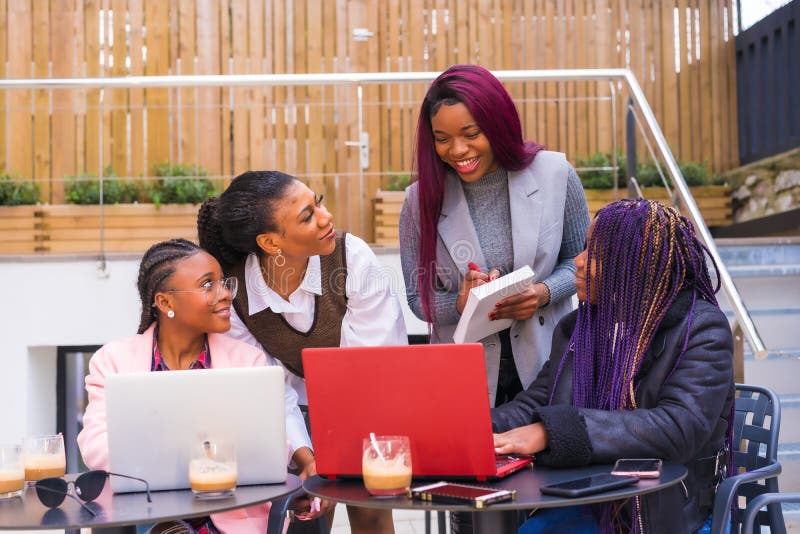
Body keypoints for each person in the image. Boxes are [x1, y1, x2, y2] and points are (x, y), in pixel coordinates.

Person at [492, 199, 735, 533]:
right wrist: (474, 430)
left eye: (595, 253)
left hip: (666, 509)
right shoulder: (581, 327)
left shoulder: (701, 330)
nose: (577, 262)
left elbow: (678, 428)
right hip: (593, 498)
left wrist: (552, 432)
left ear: (636, 264)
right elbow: (539, 401)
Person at [197, 170, 407, 534]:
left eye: (318, 203)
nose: (326, 218)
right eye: (307, 216)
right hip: (287, 415)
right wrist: (306, 456)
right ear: (270, 243)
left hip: (365, 403)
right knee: (305, 517)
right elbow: (265, 386)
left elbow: (371, 368)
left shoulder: (351, 257)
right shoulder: (234, 291)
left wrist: (337, 456)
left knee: (371, 512)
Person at [77, 238, 315, 533]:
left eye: (223, 283)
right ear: (166, 302)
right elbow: (96, 448)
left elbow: (273, 449)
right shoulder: (113, 361)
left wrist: (160, 448)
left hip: (231, 520)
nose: (226, 294)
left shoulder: (247, 360)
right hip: (146, 517)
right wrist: (207, 457)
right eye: (207, 285)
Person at [399, 64, 590, 410]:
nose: (457, 150)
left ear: (497, 125)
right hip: (463, 378)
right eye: (442, 139)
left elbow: (580, 266)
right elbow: (417, 296)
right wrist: (460, 303)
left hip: (547, 363)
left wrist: (543, 293)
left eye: (471, 134)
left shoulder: (556, 175)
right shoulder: (418, 201)